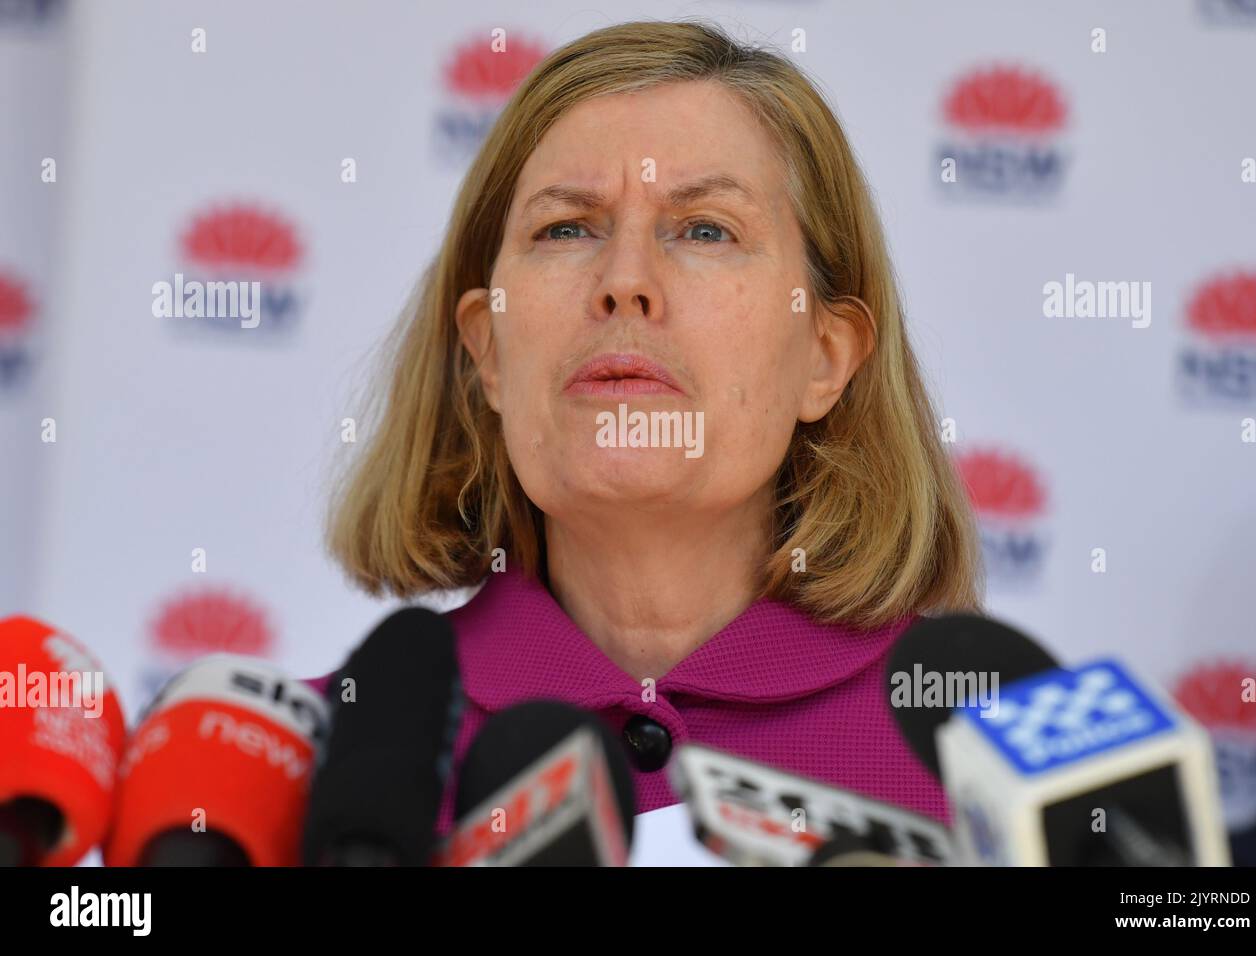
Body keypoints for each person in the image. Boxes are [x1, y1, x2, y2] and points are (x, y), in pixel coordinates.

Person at [325, 19, 983, 839]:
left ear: (825, 355)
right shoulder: (307, 759)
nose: (625, 282)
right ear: (487, 350)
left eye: (706, 229)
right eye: (567, 228)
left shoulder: (991, 753)